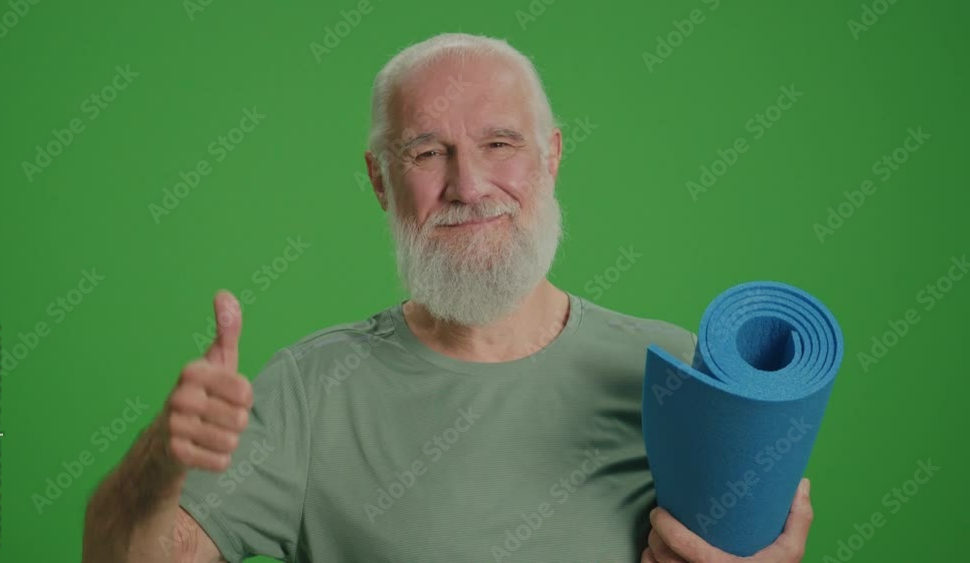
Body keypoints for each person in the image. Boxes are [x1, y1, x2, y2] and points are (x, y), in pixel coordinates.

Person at [82, 33, 814, 563]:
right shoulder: (311, 391)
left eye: (500, 144)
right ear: (380, 180)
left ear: (552, 155)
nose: (468, 186)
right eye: (427, 152)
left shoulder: (677, 371)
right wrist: (159, 461)